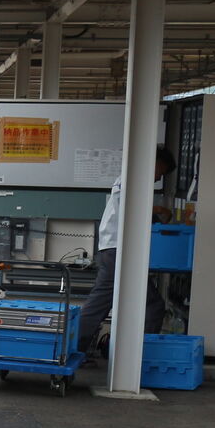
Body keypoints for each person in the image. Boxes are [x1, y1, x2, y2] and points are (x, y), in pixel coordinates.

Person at [76, 146, 174, 359]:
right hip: (119, 250)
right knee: (152, 304)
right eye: (160, 171)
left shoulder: (130, 177)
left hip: (114, 249)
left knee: (100, 304)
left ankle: (75, 348)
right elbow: (133, 207)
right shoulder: (133, 179)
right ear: (153, 162)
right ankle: (140, 356)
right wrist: (159, 211)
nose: (158, 177)